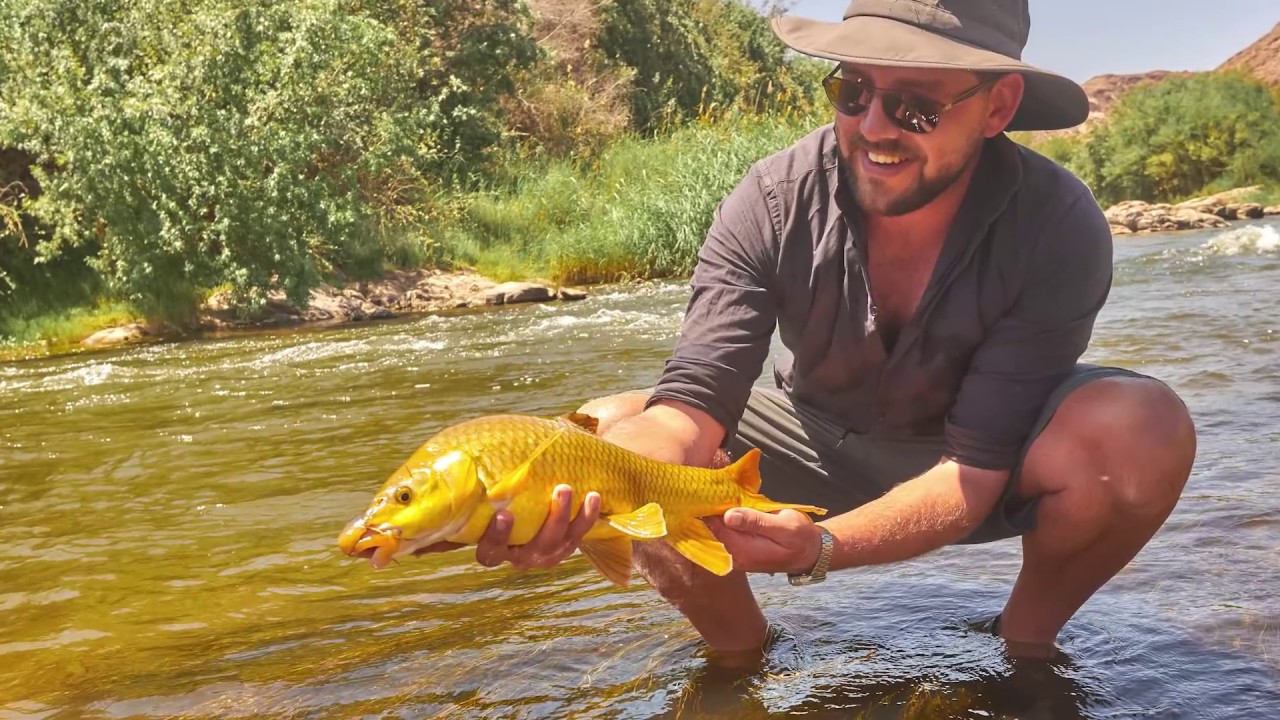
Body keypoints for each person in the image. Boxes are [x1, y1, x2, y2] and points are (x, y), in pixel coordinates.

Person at [422, 0, 1198, 659]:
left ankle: (1024, 651)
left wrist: (824, 549)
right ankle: (743, 662)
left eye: (916, 106)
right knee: (613, 428)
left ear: (997, 109)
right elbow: (690, 405)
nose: (874, 126)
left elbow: (973, 473)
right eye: (852, 89)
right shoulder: (771, 199)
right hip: (813, 439)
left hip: (982, 466)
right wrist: (591, 492)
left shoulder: (1057, 224)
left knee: (1141, 429)